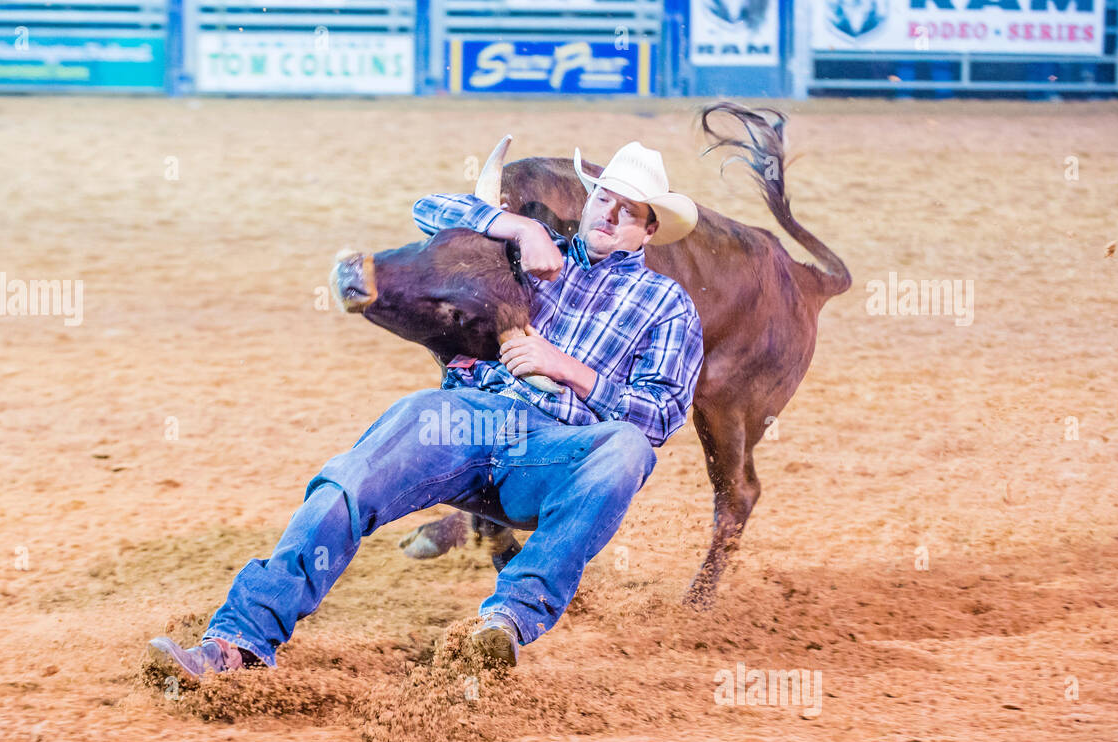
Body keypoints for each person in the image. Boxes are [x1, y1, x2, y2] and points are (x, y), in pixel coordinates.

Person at [149, 141, 705, 674]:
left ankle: (507, 621)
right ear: (591, 200)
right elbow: (430, 210)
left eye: (629, 210)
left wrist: (569, 369)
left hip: (556, 450)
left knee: (627, 447)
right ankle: (236, 640)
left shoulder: (667, 306)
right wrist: (521, 226)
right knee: (351, 479)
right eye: (605, 198)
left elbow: (658, 416)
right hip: (467, 416)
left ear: (649, 228)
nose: (609, 215)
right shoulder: (532, 249)